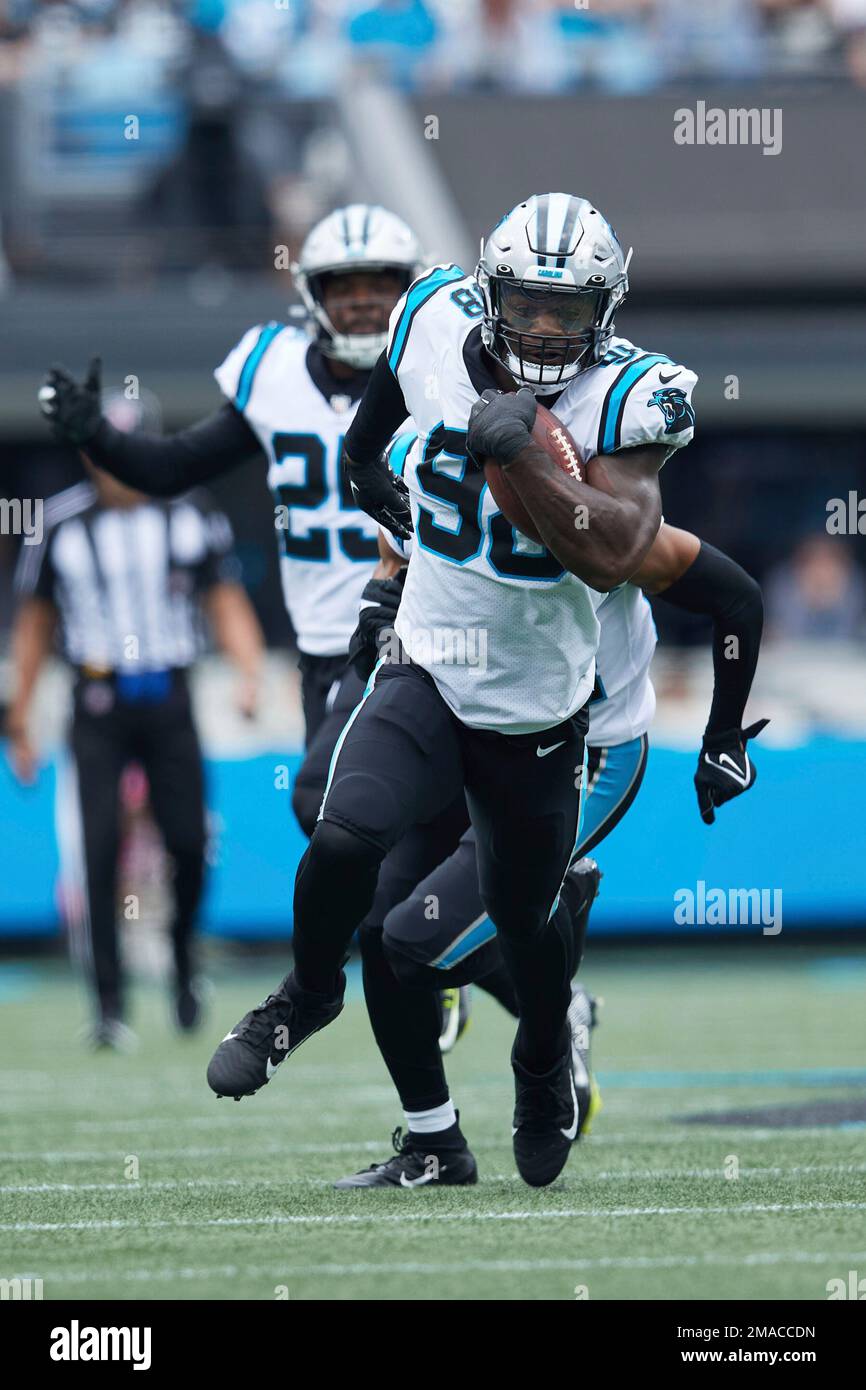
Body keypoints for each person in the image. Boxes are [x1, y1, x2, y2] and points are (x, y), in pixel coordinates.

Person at [204, 192, 705, 1188]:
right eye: (527, 305)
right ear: (487, 294)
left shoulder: (628, 397)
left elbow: (614, 550)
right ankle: (304, 994)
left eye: (568, 311)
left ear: (603, 311)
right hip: (428, 659)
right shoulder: (428, 314)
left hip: (536, 708)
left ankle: (541, 1056)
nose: (545, 329)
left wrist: (520, 449)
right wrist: (358, 465)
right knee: (344, 830)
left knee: (524, 921)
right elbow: (392, 392)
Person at [37, 204, 423, 748]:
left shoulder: (435, 377)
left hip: (416, 634)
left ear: (409, 292)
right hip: (321, 646)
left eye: (379, 288)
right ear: (313, 295)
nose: (362, 304)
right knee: (329, 813)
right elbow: (171, 469)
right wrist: (97, 435)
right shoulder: (275, 372)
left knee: (334, 802)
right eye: (345, 289)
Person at [7, 434, 264, 1046]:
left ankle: (181, 961)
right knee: (96, 846)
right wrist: (20, 716)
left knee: (188, 839)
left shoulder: (191, 513)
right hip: (96, 699)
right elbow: (34, 623)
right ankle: (108, 1002)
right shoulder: (59, 523)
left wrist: (249, 671)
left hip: (170, 694)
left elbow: (224, 597)